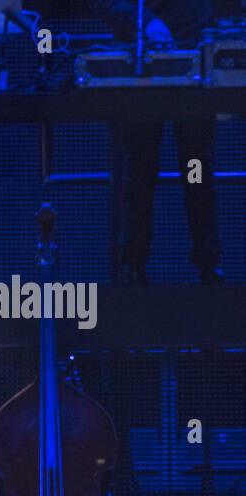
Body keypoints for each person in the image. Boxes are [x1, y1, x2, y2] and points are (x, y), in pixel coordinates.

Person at [85, 0, 223, 284]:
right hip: (139, 64)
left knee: (195, 168)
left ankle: (206, 261)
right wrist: (145, 21)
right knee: (140, 172)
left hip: (193, 54)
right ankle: (134, 262)